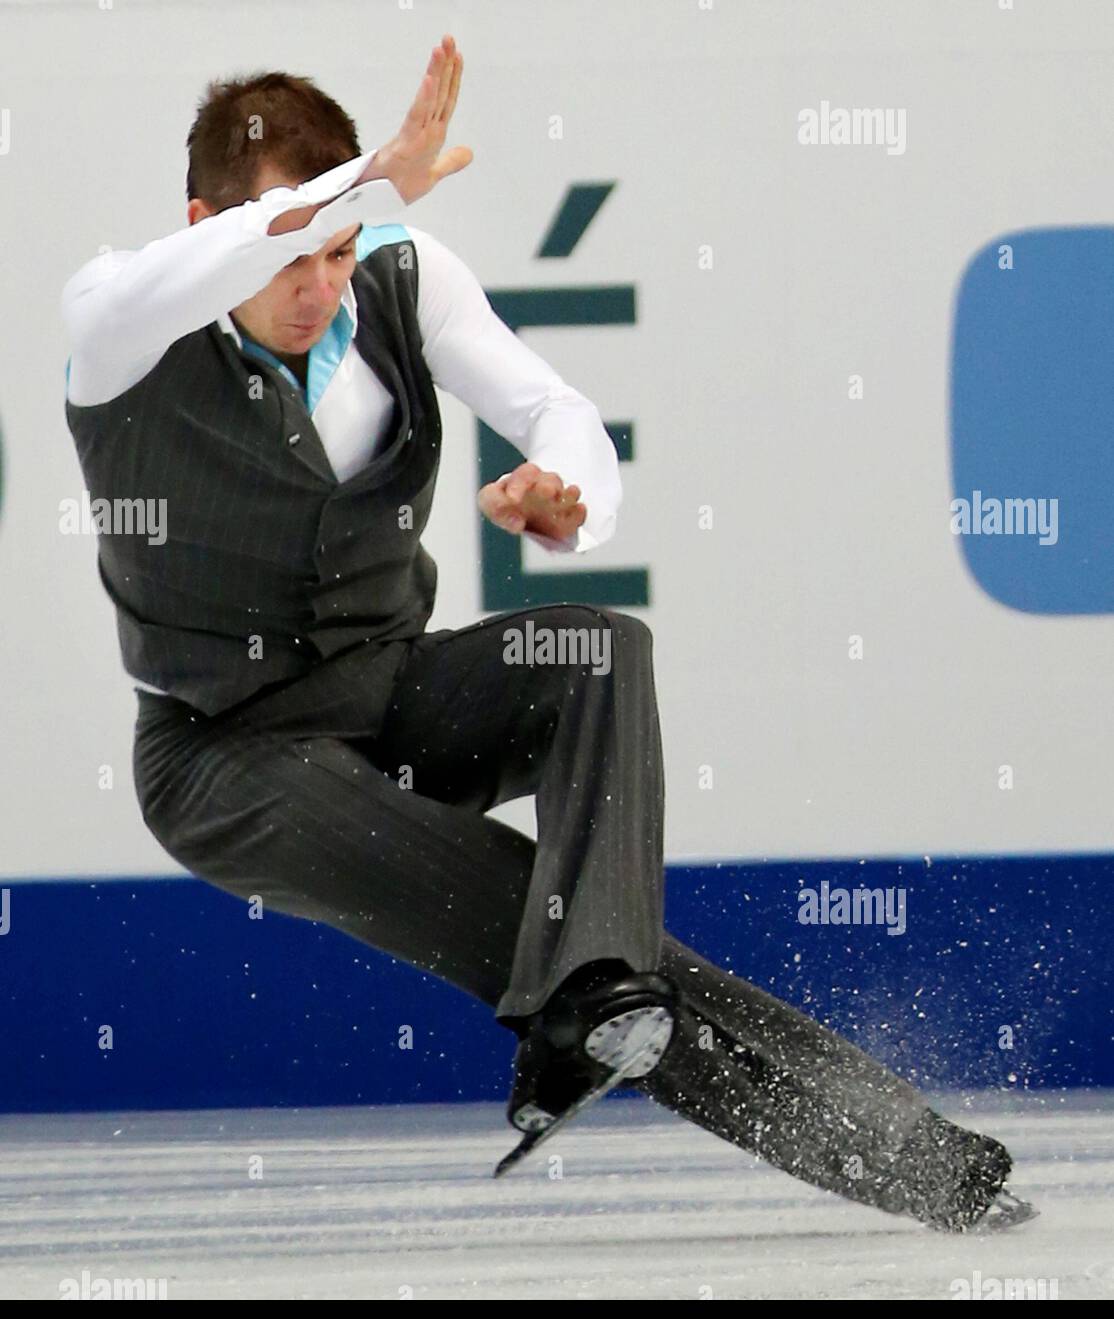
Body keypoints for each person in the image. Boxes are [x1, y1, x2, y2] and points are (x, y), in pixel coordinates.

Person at [61, 34, 1030, 1230]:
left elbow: (554, 409)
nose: (323, 284)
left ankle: (591, 993)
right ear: (200, 221)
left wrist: (566, 492)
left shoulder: (402, 281)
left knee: (600, 673)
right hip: (228, 761)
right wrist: (355, 186)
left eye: (343, 248)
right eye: (295, 250)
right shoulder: (114, 324)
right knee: (555, 940)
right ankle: (917, 1163)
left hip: (391, 688)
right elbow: (202, 267)